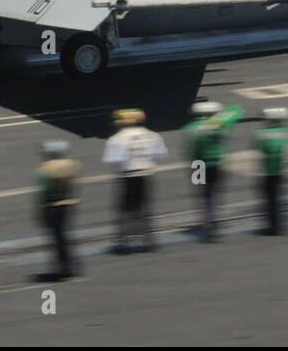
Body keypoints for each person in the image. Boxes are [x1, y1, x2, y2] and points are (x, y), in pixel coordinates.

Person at [102, 109, 168, 252]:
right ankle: (149, 240)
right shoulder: (152, 135)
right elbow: (160, 154)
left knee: (125, 210)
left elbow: (112, 160)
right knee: (145, 208)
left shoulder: (116, 138)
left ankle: (124, 241)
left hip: (127, 176)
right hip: (146, 174)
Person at [184, 101, 244, 240]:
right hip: (215, 162)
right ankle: (214, 221)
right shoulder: (219, 124)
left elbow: (191, 148)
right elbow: (237, 108)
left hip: (198, 163)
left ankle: (206, 221)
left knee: (202, 195)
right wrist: (220, 113)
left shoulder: (192, 127)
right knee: (216, 194)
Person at [35, 140, 81, 279]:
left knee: (56, 238)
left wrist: (40, 210)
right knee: (66, 236)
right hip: (68, 203)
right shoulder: (71, 165)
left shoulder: (45, 169)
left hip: (52, 206)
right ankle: (72, 265)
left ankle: (62, 268)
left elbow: (45, 190)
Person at [254, 107, 288, 235]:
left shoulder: (261, 134)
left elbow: (259, 150)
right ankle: (280, 225)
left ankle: (272, 226)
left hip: (267, 171)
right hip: (280, 170)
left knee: (269, 200)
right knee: (279, 199)